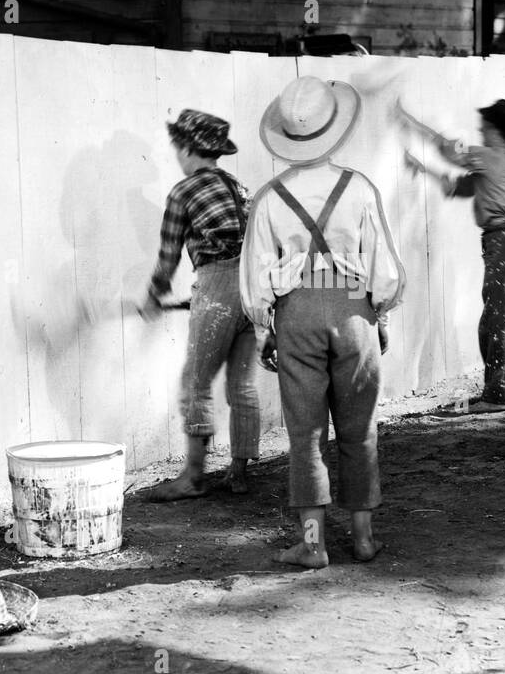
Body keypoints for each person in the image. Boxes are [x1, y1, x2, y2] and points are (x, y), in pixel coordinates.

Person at [240, 76, 404, 568]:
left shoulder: (269, 198)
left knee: (306, 435)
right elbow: (385, 269)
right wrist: (379, 314)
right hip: (355, 307)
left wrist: (264, 329)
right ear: (334, 129)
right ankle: (364, 539)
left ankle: (313, 545)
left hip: (297, 313)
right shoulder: (359, 188)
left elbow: (255, 276)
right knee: (360, 430)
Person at [139, 110, 259, 500]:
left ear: (188, 148)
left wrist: (154, 296)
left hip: (217, 284)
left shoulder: (184, 191)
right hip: (254, 286)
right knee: (242, 385)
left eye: (177, 147)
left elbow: (169, 255)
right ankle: (239, 474)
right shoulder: (239, 186)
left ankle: (192, 477)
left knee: (195, 383)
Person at [399, 98, 505, 413]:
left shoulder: (489, 157)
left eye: (483, 128)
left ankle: (498, 396)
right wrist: (422, 168)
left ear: (495, 130)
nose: (479, 132)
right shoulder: (504, 161)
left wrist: (410, 121)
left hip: (504, 243)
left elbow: (450, 151)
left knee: (495, 321)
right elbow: (460, 187)